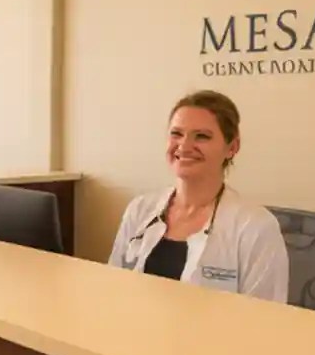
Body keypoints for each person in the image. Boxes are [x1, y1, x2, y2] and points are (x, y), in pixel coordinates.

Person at [108, 90, 289, 302]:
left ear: (232, 148)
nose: (184, 146)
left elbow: (265, 319)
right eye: (176, 134)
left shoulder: (256, 227)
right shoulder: (140, 209)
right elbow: (114, 290)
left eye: (202, 136)